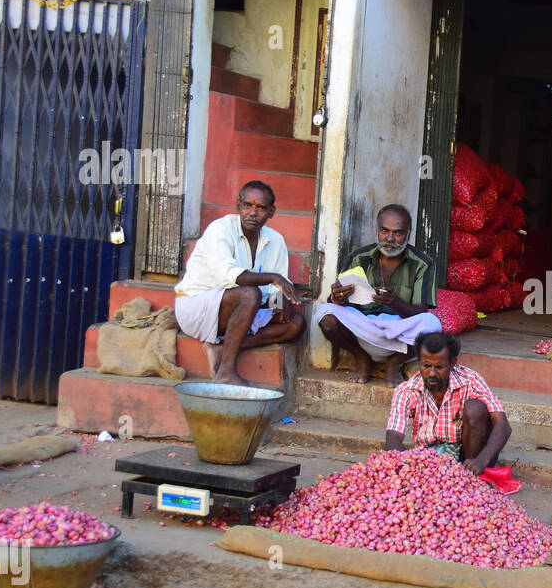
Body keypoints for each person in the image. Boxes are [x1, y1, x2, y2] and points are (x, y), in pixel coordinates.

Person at [173, 181, 305, 384]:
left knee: (296, 324)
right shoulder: (220, 230)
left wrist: (281, 301)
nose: (253, 213)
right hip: (196, 307)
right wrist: (273, 278)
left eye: (261, 208)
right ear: (238, 206)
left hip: (240, 311)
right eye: (247, 205)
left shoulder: (275, 240)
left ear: (271, 212)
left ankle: (220, 349)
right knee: (250, 293)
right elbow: (228, 276)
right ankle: (226, 372)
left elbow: (274, 289)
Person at [315, 204, 441, 386]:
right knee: (326, 314)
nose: (389, 239)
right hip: (362, 329)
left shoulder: (423, 263)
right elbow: (334, 302)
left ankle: (394, 363)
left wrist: (395, 302)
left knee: (432, 325)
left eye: (398, 233)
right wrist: (337, 297)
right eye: (384, 231)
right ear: (378, 230)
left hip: (400, 333)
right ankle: (361, 358)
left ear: (408, 233)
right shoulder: (358, 257)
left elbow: (421, 312)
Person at [384, 331, 511, 476]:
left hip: (471, 454)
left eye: (439, 367)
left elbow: (503, 425)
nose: (431, 373)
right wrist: (405, 465)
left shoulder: (470, 380)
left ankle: (470, 476)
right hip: (430, 456)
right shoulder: (406, 391)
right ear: (419, 362)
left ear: (452, 363)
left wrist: (481, 460)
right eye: (426, 365)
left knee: (475, 407)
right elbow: (393, 435)